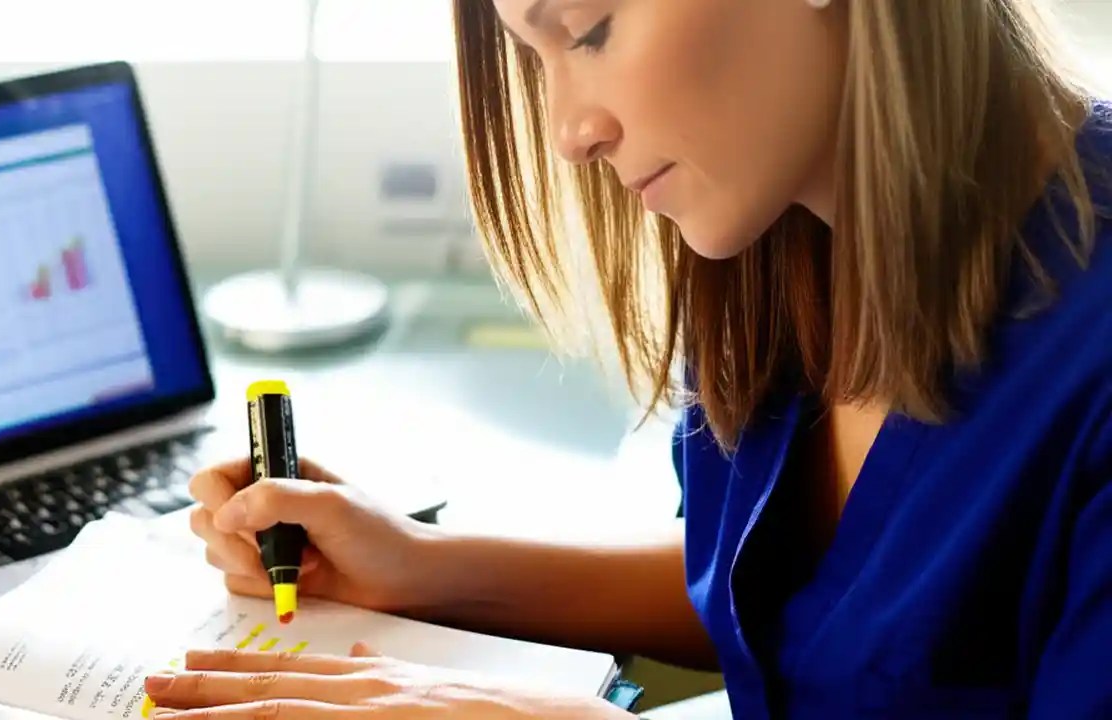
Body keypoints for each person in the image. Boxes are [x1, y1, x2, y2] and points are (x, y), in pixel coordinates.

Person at [143, 0, 1112, 717]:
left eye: (590, 30)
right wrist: (415, 565)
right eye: (534, 60)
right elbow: (784, 604)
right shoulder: (777, 243)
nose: (568, 132)